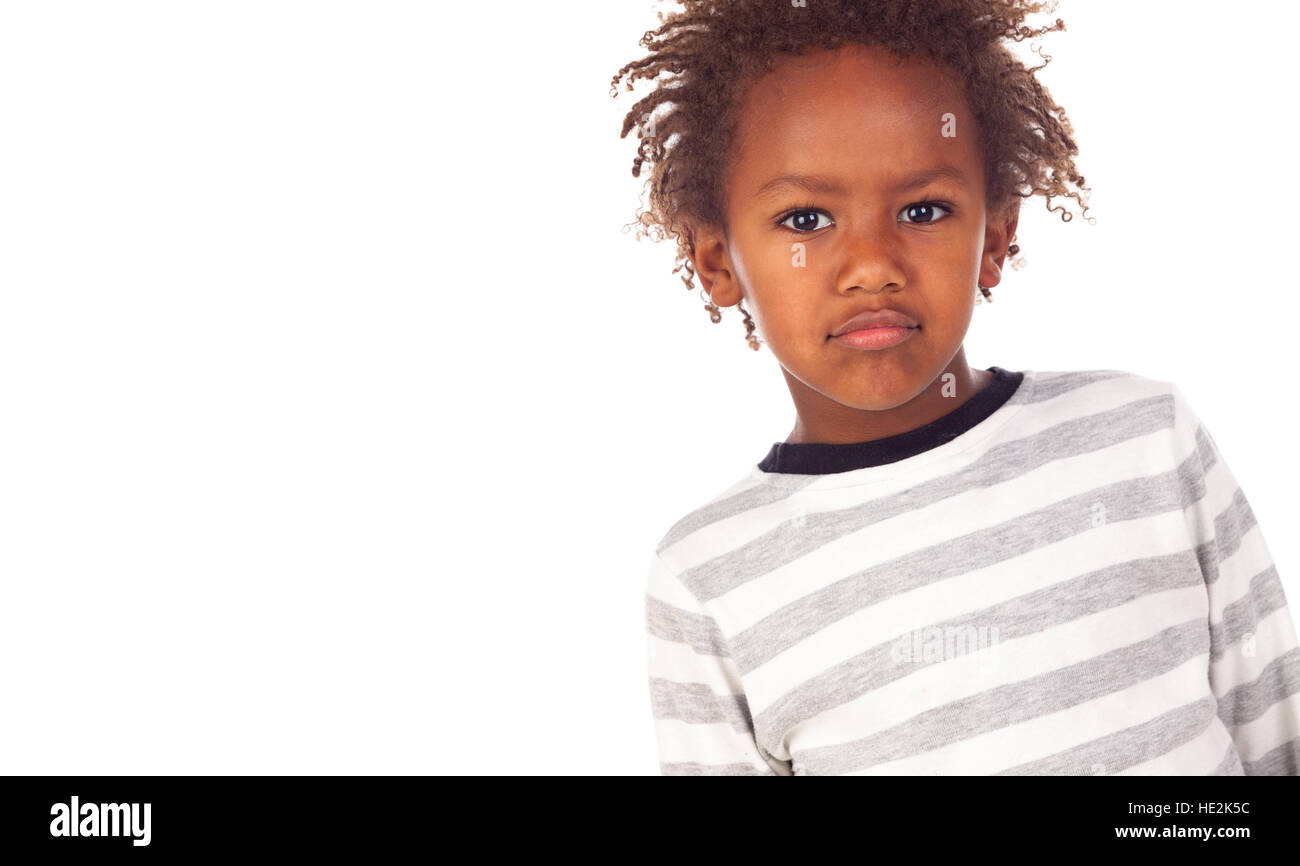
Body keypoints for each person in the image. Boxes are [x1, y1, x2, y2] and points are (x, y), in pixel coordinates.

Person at [613, 0, 1300, 775]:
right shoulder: (709, 574)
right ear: (717, 262)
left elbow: (1273, 726)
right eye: (805, 219)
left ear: (996, 236)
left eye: (923, 209)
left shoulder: (1145, 440)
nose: (872, 264)